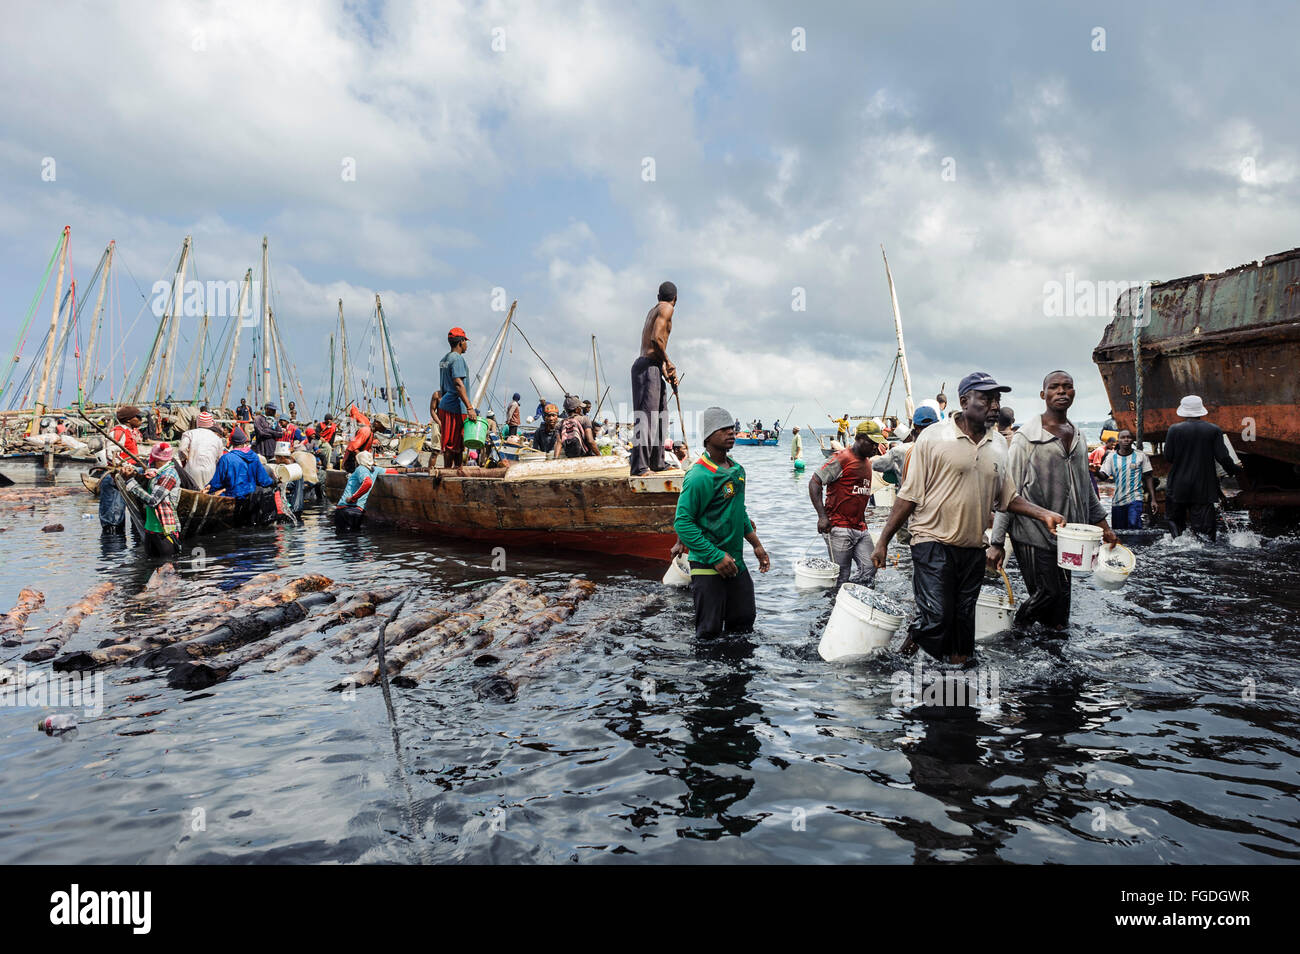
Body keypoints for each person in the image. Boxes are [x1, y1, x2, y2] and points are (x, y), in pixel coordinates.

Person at [871, 372, 1066, 663]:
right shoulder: (934, 438)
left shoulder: (999, 444)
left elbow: (1008, 498)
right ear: (964, 401)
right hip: (932, 542)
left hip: (973, 548)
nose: (994, 405)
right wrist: (883, 540)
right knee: (937, 617)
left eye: (997, 399)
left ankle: (958, 685)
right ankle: (901, 659)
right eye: (986, 398)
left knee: (963, 629)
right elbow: (908, 495)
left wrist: (1044, 514)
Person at [987, 371, 1116, 632]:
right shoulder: (1027, 439)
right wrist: (997, 543)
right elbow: (1007, 493)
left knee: (1061, 609)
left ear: (1074, 393)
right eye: (1054, 387)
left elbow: (1085, 490)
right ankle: (1015, 632)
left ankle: (1053, 649)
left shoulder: (1078, 437)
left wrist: (1105, 527)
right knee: (1048, 593)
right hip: (1032, 534)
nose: (1061, 392)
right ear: (1043, 394)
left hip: (1068, 536)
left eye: (1067, 387)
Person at [673, 407, 770, 638]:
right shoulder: (699, 476)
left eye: (731, 428)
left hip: (736, 562)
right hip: (707, 565)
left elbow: (739, 512)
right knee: (709, 634)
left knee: (744, 625)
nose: (731, 432)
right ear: (708, 436)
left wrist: (756, 545)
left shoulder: (737, 470)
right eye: (723, 429)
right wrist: (716, 556)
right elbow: (683, 522)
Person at [810, 421, 887, 586]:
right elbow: (815, 482)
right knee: (842, 576)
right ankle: (833, 607)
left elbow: (859, 496)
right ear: (858, 438)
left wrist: (864, 522)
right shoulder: (842, 458)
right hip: (838, 527)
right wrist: (822, 516)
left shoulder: (867, 462)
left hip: (860, 527)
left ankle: (860, 603)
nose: (875, 447)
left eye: (877, 443)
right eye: (872, 443)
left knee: (869, 569)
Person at [1163, 395, 1241, 539]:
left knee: (1175, 523)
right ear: (1201, 410)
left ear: (1184, 411)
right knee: (1205, 532)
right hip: (1204, 486)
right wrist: (1235, 470)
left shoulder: (1174, 429)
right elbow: (1223, 457)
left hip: (1178, 484)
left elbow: (1168, 457)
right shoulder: (1213, 430)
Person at [630, 281, 678, 475]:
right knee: (646, 419)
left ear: (658, 297)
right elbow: (655, 339)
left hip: (653, 367)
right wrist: (668, 361)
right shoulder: (667, 308)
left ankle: (657, 462)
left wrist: (663, 369)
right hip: (647, 367)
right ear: (675, 299)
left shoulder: (655, 309)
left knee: (661, 417)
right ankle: (639, 467)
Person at [122, 442, 182, 558]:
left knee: (166, 567)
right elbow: (145, 473)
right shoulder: (158, 472)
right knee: (151, 565)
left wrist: (130, 482)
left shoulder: (169, 474)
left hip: (164, 531)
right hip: (150, 529)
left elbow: (153, 501)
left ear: (157, 459)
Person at [207, 426, 277, 524]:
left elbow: (216, 483)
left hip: (234, 498)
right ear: (244, 442)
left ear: (231, 443)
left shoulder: (226, 458)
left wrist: (208, 490)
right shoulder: (254, 457)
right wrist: (274, 482)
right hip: (251, 498)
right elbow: (263, 480)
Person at [434, 327, 477, 468]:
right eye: (466, 342)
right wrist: (470, 407)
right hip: (455, 407)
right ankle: (448, 473)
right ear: (461, 342)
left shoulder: (443, 360)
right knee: (452, 444)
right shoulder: (457, 359)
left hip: (446, 405)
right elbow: (458, 384)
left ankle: (457, 471)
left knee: (456, 445)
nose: (467, 345)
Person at [99, 405, 145, 534]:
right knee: (113, 516)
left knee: (124, 510)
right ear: (129, 420)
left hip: (128, 474)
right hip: (118, 475)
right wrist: (125, 467)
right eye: (138, 417)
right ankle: (113, 545)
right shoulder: (118, 432)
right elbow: (111, 454)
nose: (141, 419)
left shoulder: (129, 432)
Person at [1100, 428, 1156, 530]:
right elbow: (1104, 475)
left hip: (1135, 498)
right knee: (1119, 530)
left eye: (1129, 437)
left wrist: (1153, 499)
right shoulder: (1111, 457)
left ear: (1132, 440)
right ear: (1118, 441)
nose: (1126, 440)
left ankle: (1136, 545)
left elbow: (1148, 476)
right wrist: (1094, 472)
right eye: (1123, 437)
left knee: (1133, 524)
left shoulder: (1141, 456)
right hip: (1118, 500)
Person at [178, 410, 225, 489]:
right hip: (210, 471)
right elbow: (220, 458)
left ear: (197, 422)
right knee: (206, 494)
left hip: (192, 470)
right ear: (211, 423)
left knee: (192, 493)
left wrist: (186, 460)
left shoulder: (189, 433)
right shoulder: (217, 439)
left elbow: (182, 450)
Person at [335, 450, 379, 531]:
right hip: (358, 511)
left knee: (342, 537)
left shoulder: (360, 469)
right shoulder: (375, 470)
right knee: (354, 538)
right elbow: (392, 471)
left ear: (359, 461)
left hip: (345, 508)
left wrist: (353, 498)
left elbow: (368, 482)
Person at [271, 441, 305, 515]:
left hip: (292, 506)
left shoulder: (290, 469)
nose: (276, 461)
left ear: (282, 457)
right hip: (298, 506)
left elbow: (289, 486)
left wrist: (276, 483)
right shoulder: (296, 466)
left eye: (276, 458)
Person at [341, 403, 375, 473]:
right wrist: (364, 460)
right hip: (353, 462)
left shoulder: (364, 426)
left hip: (356, 460)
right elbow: (353, 448)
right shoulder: (365, 428)